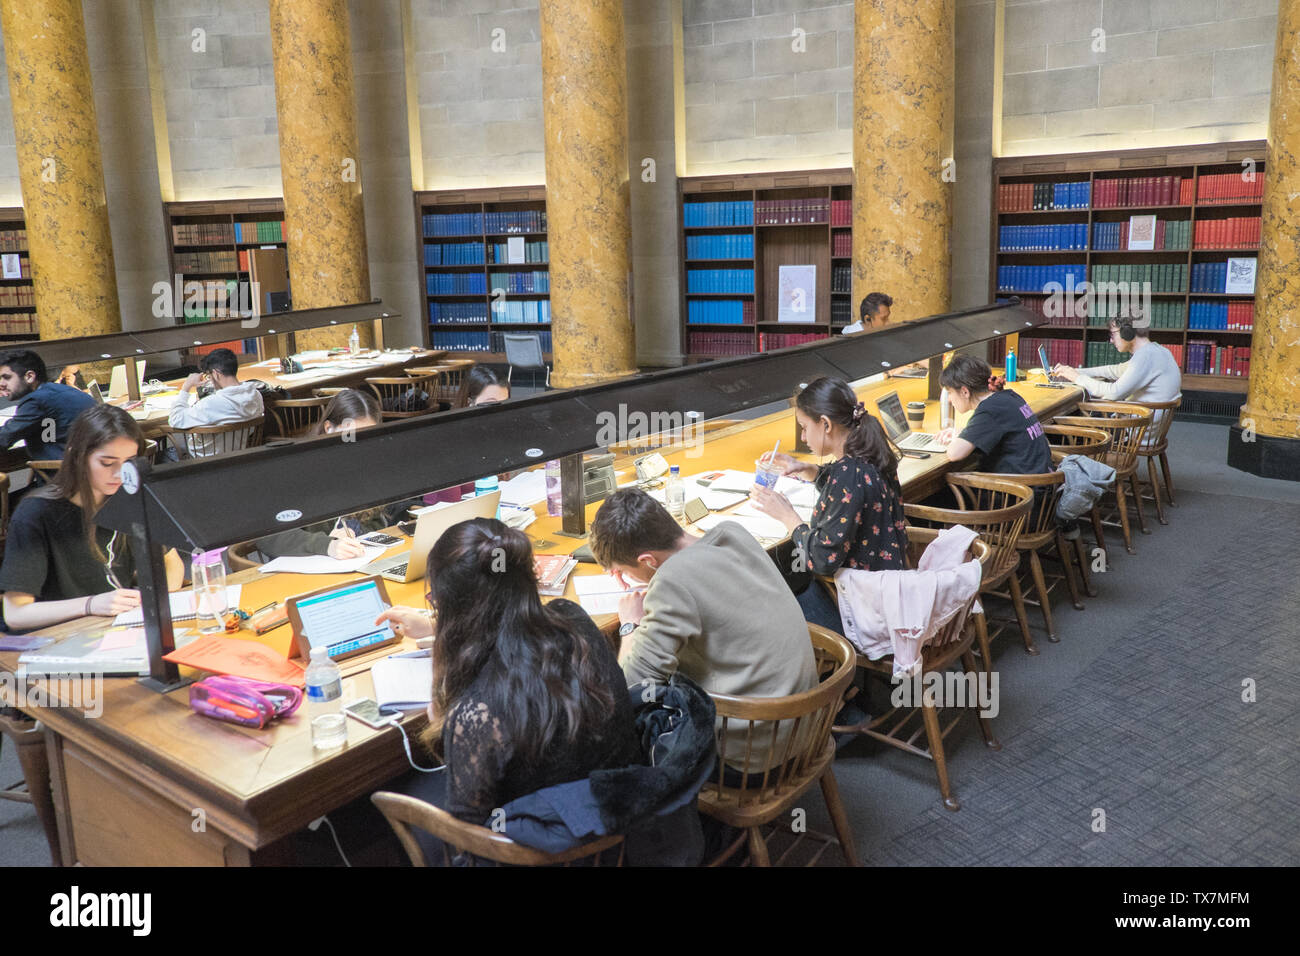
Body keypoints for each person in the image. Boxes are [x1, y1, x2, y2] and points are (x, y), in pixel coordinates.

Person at [375, 518, 638, 826]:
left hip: (542, 848)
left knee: (391, 801)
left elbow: (468, 824)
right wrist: (437, 627)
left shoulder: (477, 712)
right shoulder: (573, 618)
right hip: (620, 814)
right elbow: (507, 620)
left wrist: (446, 727)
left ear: (449, 602)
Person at [588, 488, 817, 778]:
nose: (624, 581)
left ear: (647, 560)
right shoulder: (732, 533)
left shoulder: (672, 582)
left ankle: (668, 816)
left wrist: (630, 625)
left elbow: (631, 688)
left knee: (620, 723)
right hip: (807, 727)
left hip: (752, 756)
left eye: (623, 573)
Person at [0, 405, 184, 632]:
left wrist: (149, 598)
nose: (119, 474)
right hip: (57, 640)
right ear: (77, 457)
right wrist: (90, 605)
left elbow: (171, 563)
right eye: (107, 463)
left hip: (116, 630)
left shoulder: (131, 497)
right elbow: (16, 614)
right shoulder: (36, 514)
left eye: (129, 462)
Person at [750, 377, 909, 634]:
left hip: (863, 609)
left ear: (825, 424)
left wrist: (788, 517)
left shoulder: (848, 475)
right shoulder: (869, 453)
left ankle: (828, 671)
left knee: (764, 606)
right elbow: (854, 492)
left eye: (804, 427)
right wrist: (809, 470)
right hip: (888, 589)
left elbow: (823, 559)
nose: (802, 437)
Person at [252, 390, 415, 560]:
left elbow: (377, 519)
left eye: (368, 437)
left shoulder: (368, 466)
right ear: (329, 428)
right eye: (351, 435)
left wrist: (355, 531)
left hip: (355, 561)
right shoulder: (296, 471)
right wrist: (327, 545)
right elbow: (269, 536)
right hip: (306, 570)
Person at [1051, 316, 1182, 435]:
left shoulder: (1145, 356)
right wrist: (1073, 371)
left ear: (1127, 333)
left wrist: (1077, 378)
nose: (1111, 340)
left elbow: (1113, 392)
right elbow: (1114, 370)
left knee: (1063, 426)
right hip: (1144, 426)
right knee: (1086, 414)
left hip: (1134, 433)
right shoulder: (1157, 350)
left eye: (1113, 334)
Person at [935, 353, 1051, 475]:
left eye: (950, 392)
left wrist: (956, 438)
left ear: (965, 392)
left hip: (1020, 490)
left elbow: (954, 454)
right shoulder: (1009, 397)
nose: (949, 399)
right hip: (1042, 482)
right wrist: (963, 433)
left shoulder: (989, 411)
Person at [426, 367, 513, 503]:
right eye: (491, 404)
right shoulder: (448, 444)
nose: (499, 412)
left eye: (505, 404)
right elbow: (450, 507)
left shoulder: (495, 433)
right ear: (469, 403)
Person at [166, 348, 264, 458]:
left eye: (209, 376)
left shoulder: (211, 404)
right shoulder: (256, 395)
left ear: (216, 374)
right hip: (240, 455)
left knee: (165, 454)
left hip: (204, 462)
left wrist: (186, 387)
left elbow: (175, 419)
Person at [0, 349, 96, 460]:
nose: (1, 384)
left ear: (30, 376)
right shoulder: (59, 390)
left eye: (6, 377)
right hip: (88, 467)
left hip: (64, 472)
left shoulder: (36, 400)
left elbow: (4, 439)